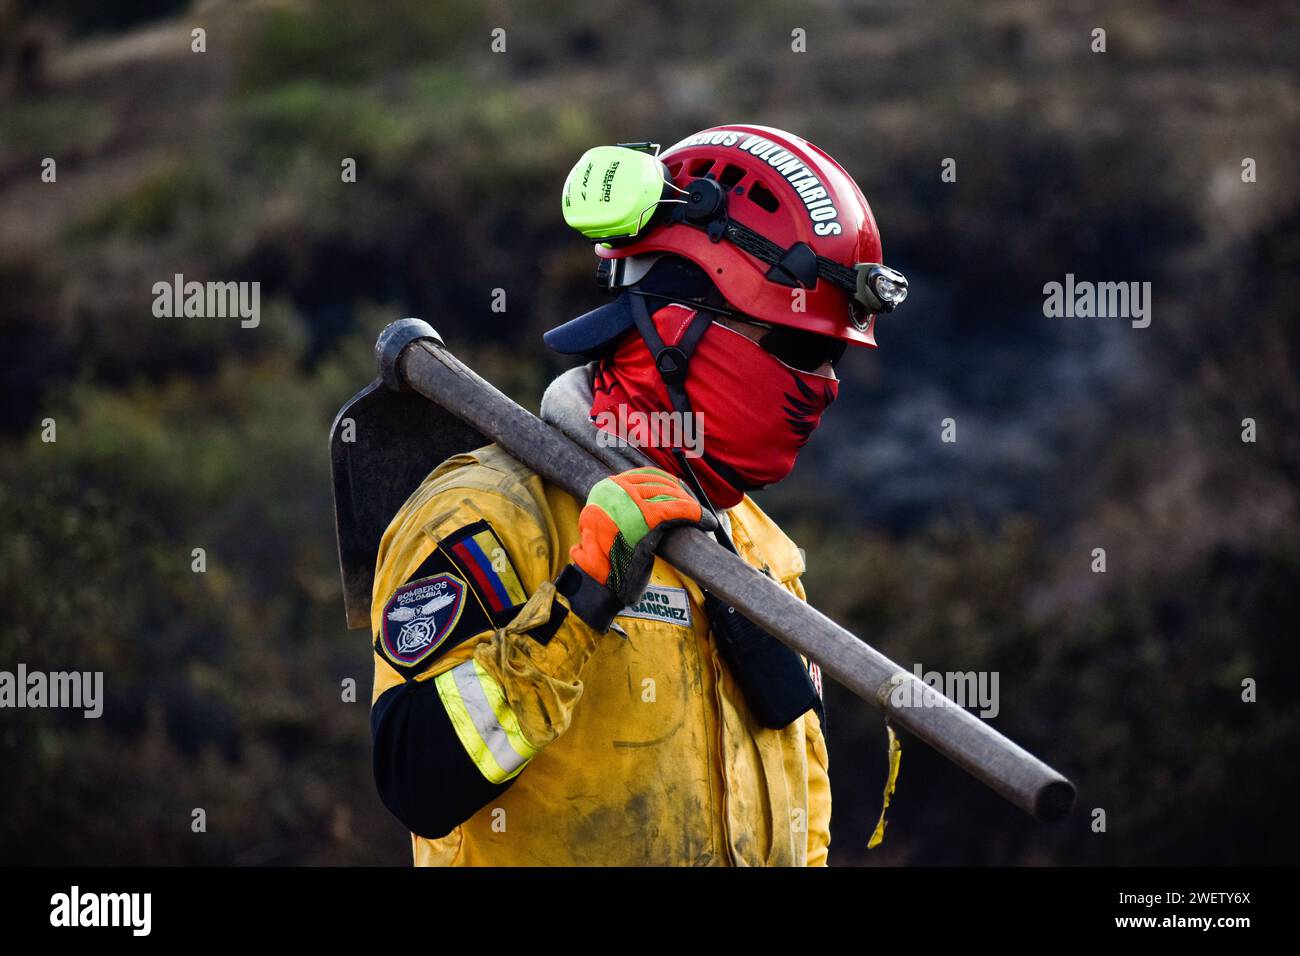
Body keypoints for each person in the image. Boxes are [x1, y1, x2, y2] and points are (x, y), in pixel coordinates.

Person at [368, 124, 906, 865]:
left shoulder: (759, 548)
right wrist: (579, 605)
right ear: (679, 326)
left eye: (836, 356)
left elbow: (799, 808)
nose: (827, 386)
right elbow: (413, 781)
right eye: (801, 349)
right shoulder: (488, 516)